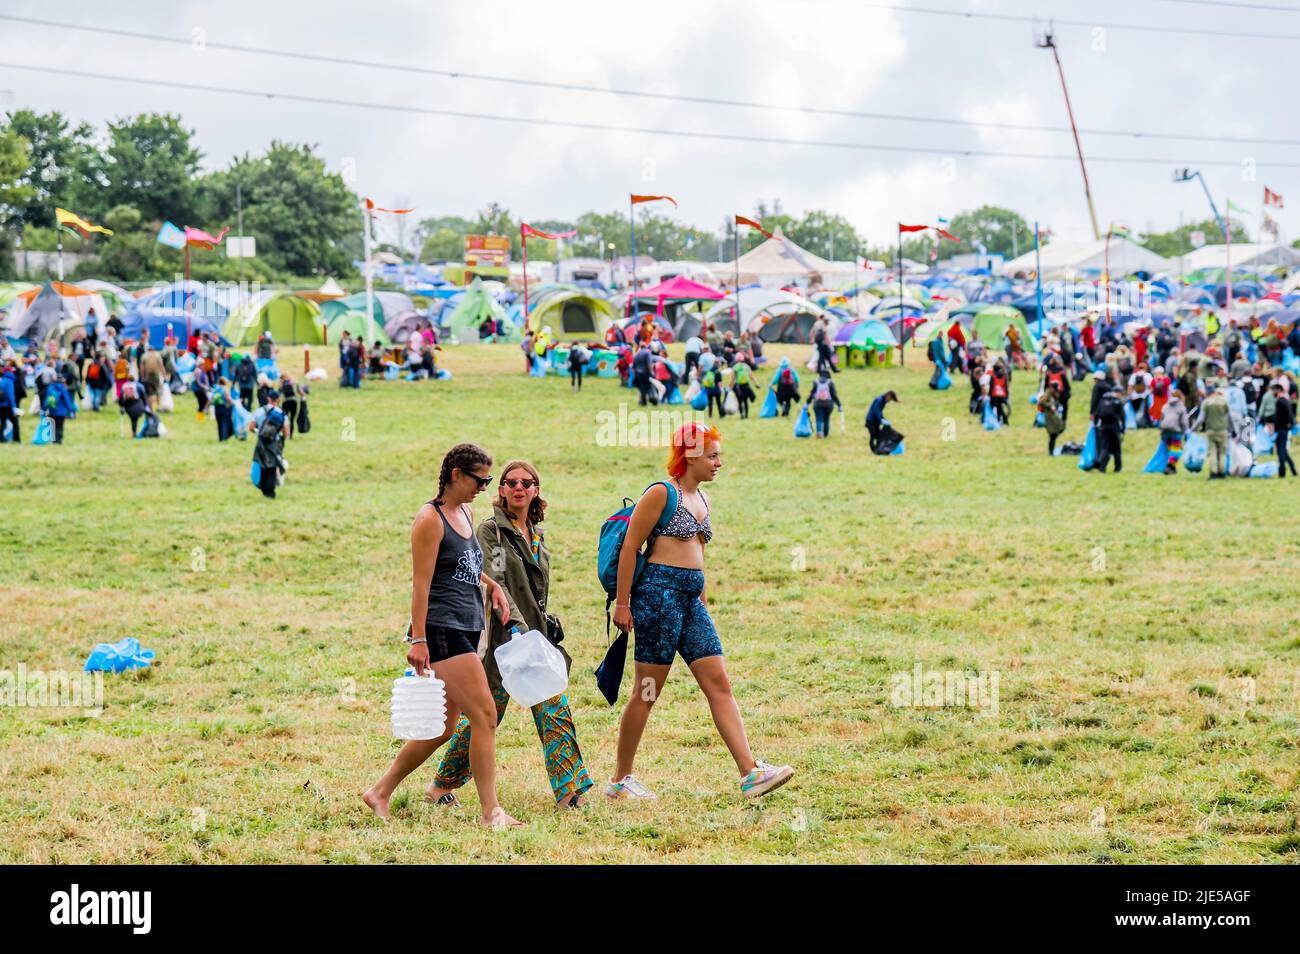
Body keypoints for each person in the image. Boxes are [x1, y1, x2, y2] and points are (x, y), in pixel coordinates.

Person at [609, 423, 794, 801]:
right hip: (658, 598)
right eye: (712, 455)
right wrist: (623, 603)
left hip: (691, 602)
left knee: (719, 683)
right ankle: (620, 780)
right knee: (646, 692)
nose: (718, 463)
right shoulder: (661, 493)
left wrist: (702, 602)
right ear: (690, 455)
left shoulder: (703, 500)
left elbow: (699, 555)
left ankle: (750, 773)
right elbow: (631, 548)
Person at [363, 443, 523, 829]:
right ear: (456, 474)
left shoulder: (465, 512)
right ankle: (492, 812)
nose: (484, 488)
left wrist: (491, 586)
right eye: (479, 480)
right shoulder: (429, 519)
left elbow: (462, 566)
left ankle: (379, 792)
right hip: (441, 629)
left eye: (488, 480)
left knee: (443, 727)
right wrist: (418, 641)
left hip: (468, 625)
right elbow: (421, 585)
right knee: (485, 714)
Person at [426, 461, 593, 810]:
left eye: (527, 483)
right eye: (511, 482)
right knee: (485, 718)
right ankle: (441, 786)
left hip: (534, 639)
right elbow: (495, 582)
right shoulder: (491, 533)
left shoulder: (535, 533)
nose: (519, 488)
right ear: (501, 490)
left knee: (553, 707)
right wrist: (517, 626)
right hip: (504, 642)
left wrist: (544, 624)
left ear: (536, 491)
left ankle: (569, 793)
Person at [253, 393, 288, 498]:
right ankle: (271, 492)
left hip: (261, 443)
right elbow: (286, 433)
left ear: (268, 399)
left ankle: (264, 490)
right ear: (278, 399)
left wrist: (260, 433)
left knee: (262, 465)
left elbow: (251, 427)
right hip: (274, 443)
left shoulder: (258, 411)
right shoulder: (281, 413)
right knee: (272, 467)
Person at [1196, 382, 1231, 479]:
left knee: (1212, 452)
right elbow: (1229, 417)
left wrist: (1193, 429)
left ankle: (1213, 472)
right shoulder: (1224, 401)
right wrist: (1232, 430)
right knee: (1223, 452)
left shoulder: (1206, 402)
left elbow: (1200, 419)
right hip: (1223, 430)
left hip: (1210, 430)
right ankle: (1222, 472)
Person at [1091, 385, 1125, 473]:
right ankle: (1118, 467)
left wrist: (1096, 425)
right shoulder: (1117, 402)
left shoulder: (1102, 401)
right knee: (1116, 448)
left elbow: (1096, 414)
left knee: (1104, 448)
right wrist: (1123, 428)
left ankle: (1102, 468)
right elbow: (1122, 416)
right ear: (1118, 393)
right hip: (1114, 426)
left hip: (1103, 427)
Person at [1158, 388, 1190, 475]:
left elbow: (1161, 418)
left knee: (1170, 449)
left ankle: (1173, 468)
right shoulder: (1181, 407)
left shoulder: (1165, 405)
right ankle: (1169, 466)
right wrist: (1186, 431)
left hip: (1165, 430)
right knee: (1176, 450)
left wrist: (1160, 430)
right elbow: (1184, 422)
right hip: (1175, 431)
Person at [804, 369, 842, 439]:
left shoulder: (816, 382)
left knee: (819, 418)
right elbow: (834, 395)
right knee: (826, 419)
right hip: (829, 404)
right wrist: (839, 405)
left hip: (818, 403)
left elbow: (812, 394)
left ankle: (819, 433)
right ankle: (825, 434)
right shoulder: (830, 383)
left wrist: (807, 404)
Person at [1270, 382, 1296, 479]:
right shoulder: (1285, 400)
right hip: (1284, 428)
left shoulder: (1280, 401)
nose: (1272, 392)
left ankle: (1282, 472)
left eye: (1273, 390)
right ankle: (1293, 470)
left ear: (1278, 390)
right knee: (1283, 451)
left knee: (1281, 451)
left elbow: (1284, 416)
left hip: (1282, 429)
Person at [1038, 382, 1066, 456]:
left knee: (1059, 429)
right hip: (1049, 417)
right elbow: (1041, 402)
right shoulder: (1047, 394)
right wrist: (1049, 406)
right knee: (1052, 434)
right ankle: (1051, 452)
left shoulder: (1054, 394)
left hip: (1054, 417)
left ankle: (1051, 451)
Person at [0, 361, 20, 443]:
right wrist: (14, 406)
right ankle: (16, 439)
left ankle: (1, 438)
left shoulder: (2, 380)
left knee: (3, 422)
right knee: (15, 423)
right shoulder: (9, 381)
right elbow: (10, 395)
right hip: (8, 405)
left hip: (1, 405)